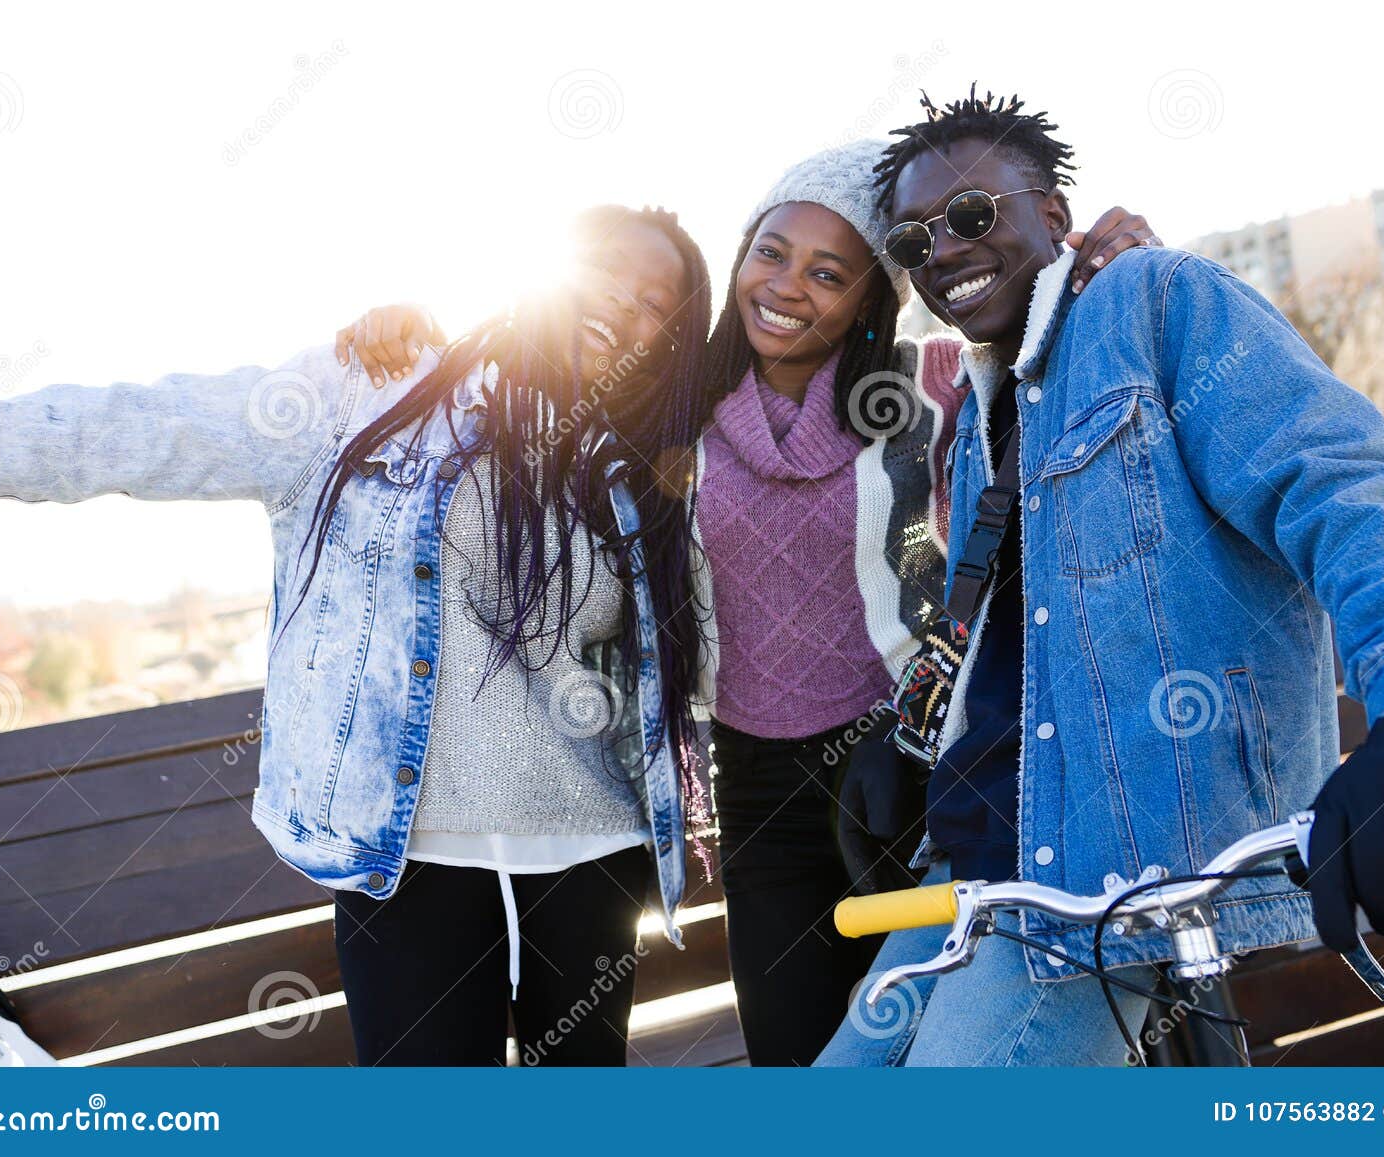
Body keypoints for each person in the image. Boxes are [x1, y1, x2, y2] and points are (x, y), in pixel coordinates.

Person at [338, 141, 1158, 1065]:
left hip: (909, 765)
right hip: (758, 788)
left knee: (940, 1046)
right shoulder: (665, 405)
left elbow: (1043, 360)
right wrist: (416, 333)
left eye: (828, 271)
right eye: (771, 252)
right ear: (740, 258)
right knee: (796, 1055)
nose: (788, 284)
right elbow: (538, 370)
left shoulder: (926, 389)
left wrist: (1101, 268)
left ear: (868, 297)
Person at [815, 88, 1384, 1067]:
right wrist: (915, 744)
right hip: (974, 870)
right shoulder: (986, 413)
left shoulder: (1156, 302)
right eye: (910, 242)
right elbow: (1019, 641)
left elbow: (1346, 485)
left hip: (1103, 888)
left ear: (1051, 217)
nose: (939, 249)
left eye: (971, 215)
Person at [0, 205, 714, 1067]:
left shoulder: (649, 464)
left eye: (657, 301)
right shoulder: (371, 395)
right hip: (411, 862)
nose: (624, 301)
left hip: (595, 863)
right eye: (604, 266)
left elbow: (716, 652)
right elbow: (137, 430)